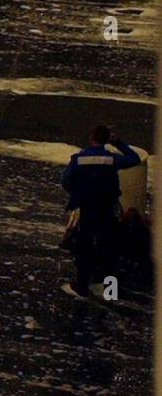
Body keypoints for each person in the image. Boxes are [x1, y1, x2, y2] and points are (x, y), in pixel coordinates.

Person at [60, 125, 141, 297]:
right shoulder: (111, 159)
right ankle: (110, 291)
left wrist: (77, 192)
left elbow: (65, 180)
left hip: (87, 208)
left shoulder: (78, 159)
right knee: (110, 249)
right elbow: (134, 158)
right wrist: (118, 142)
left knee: (84, 247)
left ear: (91, 137)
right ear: (106, 140)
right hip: (107, 208)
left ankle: (82, 287)